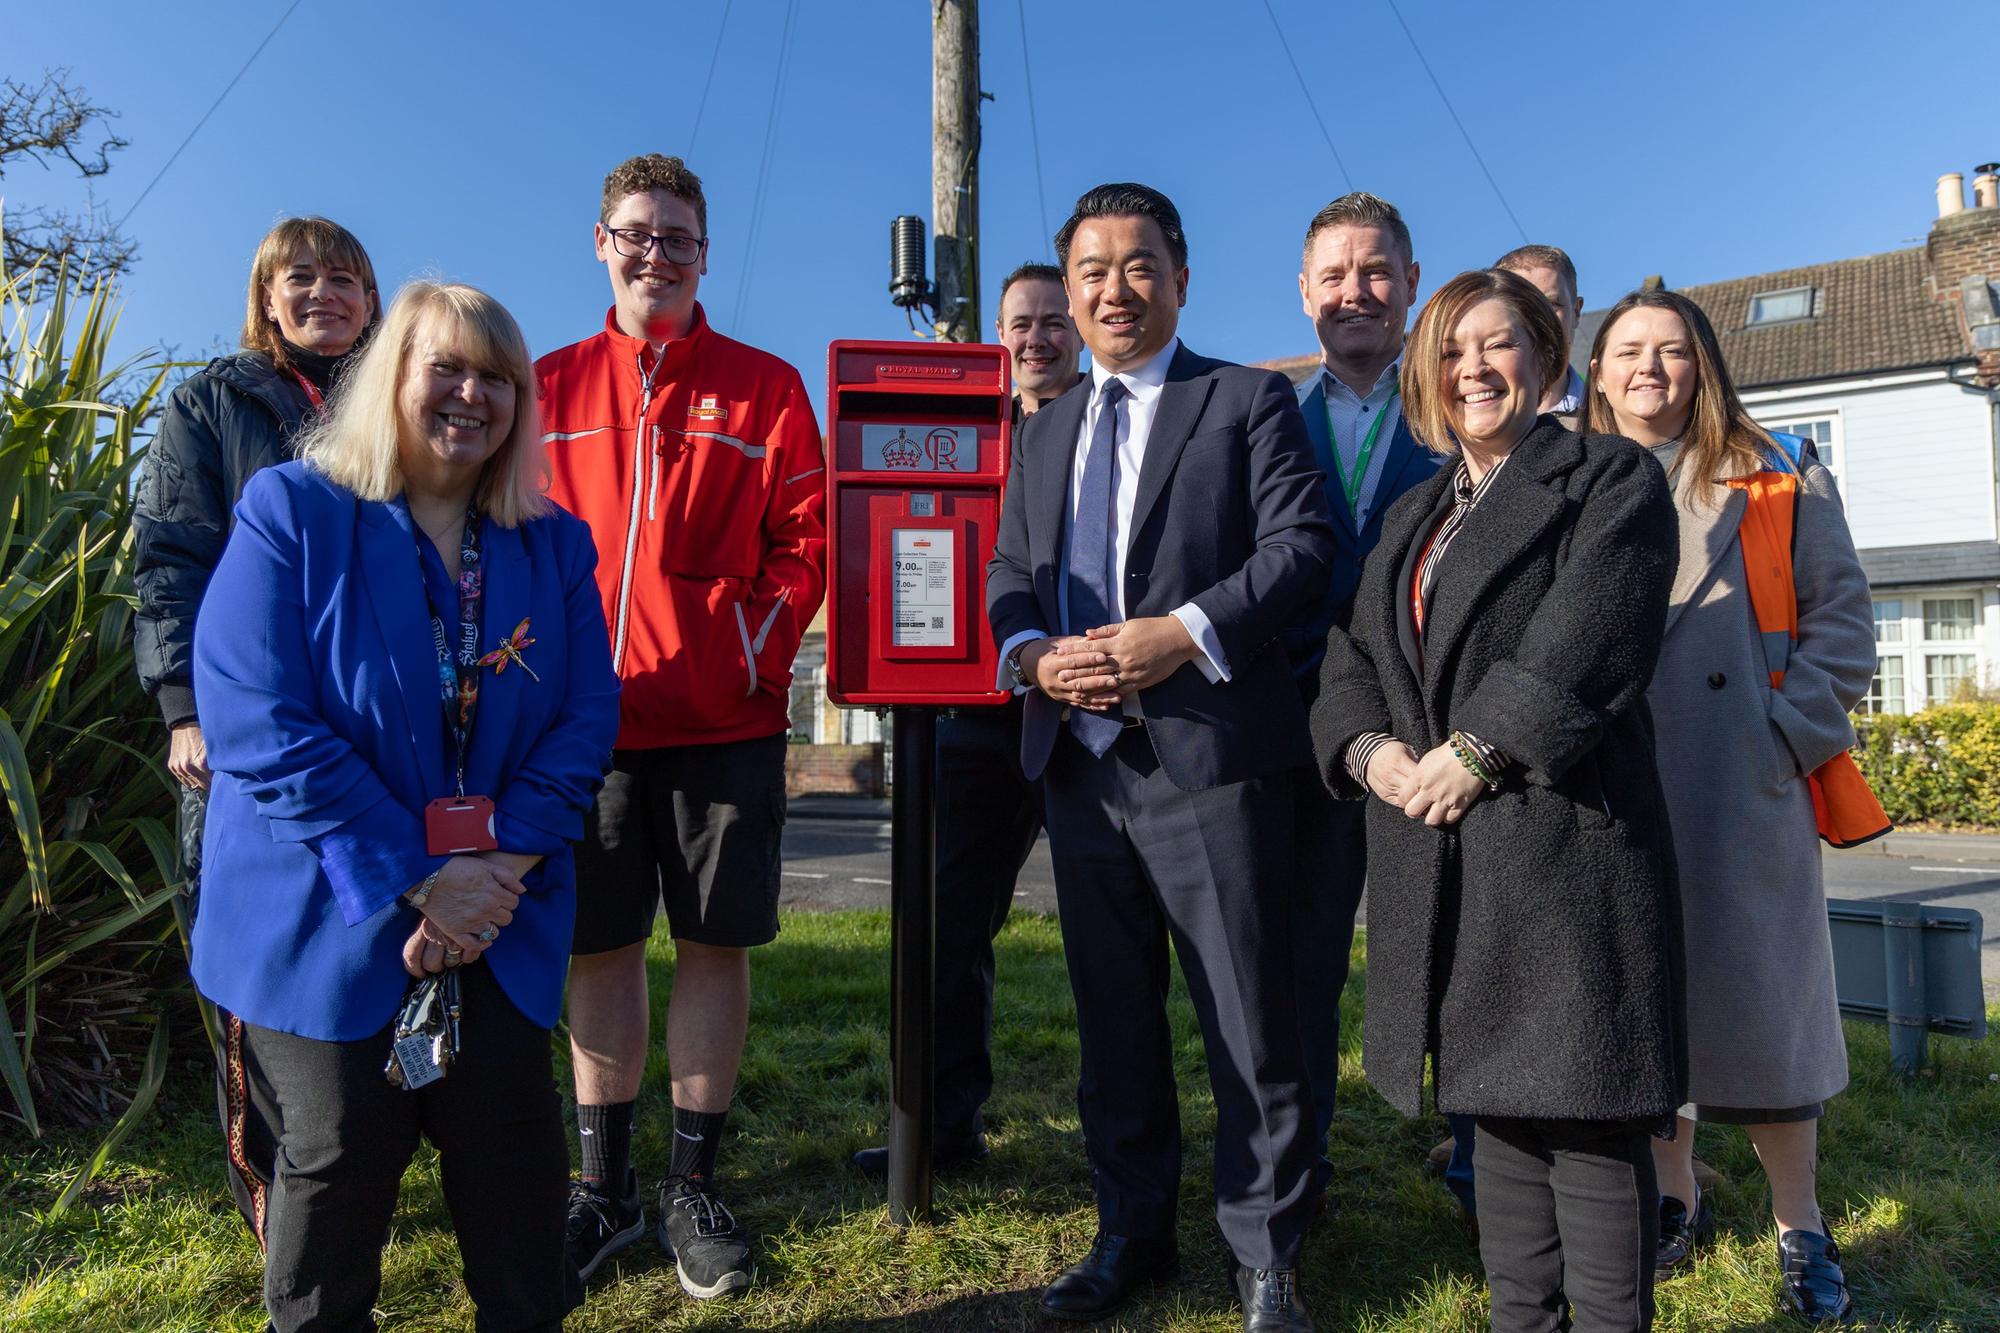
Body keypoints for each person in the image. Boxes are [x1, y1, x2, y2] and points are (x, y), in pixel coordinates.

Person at [189, 281, 621, 1331]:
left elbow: (583, 716)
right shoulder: (291, 512)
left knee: (517, 1174)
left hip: (498, 919)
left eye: (498, 379)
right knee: (334, 1172)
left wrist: (496, 873)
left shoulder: (553, 544)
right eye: (449, 368)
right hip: (324, 918)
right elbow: (257, 716)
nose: (472, 395)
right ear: (393, 375)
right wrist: (427, 874)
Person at [989, 183, 1333, 1333]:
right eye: (1089, 271)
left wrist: (1177, 634)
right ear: (1068, 292)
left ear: (1179, 279)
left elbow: (1301, 550)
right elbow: (1006, 585)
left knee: (1249, 1021)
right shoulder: (1038, 434)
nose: (1112, 290)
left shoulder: (1243, 400)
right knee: (1111, 1024)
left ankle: (1265, 1255)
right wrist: (1032, 659)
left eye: (1137, 266)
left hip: (1214, 761)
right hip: (1084, 775)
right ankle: (1130, 1231)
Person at [1311, 267, 1683, 1331]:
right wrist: (1367, 750)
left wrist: (1475, 751)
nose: (1472, 367)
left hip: (1562, 852)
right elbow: (1350, 656)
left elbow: (1590, 636)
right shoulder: (1413, 513)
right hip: (1444, 864)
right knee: (1496, 1127)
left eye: (1497, 343)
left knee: (1583, 1126)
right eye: (1450, 350)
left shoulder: (1605, 480)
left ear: (1547, 360)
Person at [540, 153, 827, 1298]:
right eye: (636, 232)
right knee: (597, 949)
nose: (656, 252)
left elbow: (801, 545)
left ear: (706, 254)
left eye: (678, 237)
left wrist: (750, 653)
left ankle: (692, 1185)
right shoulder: (543, 387)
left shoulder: (765, 386)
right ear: (599, 242)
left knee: (715, 945)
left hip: (722, 723)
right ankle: (601, 1187)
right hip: (583, 730)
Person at [1589, 288, 1873, 1323]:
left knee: (1761, 1008)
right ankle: (1672, 1196)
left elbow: (1842, 620)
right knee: (1647, 1000)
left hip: (1735, 775)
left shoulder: (1772, 470)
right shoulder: (1573, 476)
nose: (1648, 369)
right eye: (1627, 351)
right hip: (1615, 778)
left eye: (1670, 351)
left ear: (1703, 365)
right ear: (1597, 368)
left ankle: (1800, 1221)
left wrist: (1781, 735)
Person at [131, 215, 379, 1243]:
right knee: (258, 974)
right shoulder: (211, 403)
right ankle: (272, 1202)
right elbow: (169, 560)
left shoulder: (400, 398)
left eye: (345, 278)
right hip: (248, 732)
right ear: (267, 295)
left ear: (372, 298)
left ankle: (365, 1170)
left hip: (375, 735)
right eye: (301, 277)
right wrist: (182, 707)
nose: (324, 293)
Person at [851, 261, 1082, 1179]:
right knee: (947, 923)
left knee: (1115, 922)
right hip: (978, 713)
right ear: (997, 335)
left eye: (1053, 321)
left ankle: (1128, 1135)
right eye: (1019, 323)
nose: (1037, 338)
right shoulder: (974, 430)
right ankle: (944, 1123)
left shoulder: (1116, 426)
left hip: (1088, 705)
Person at [1287, 192, 1442, 1205]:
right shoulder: (1252, 417)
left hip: (1433, 738)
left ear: (1412, 284)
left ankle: (1483, 1156)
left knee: (1463, 950)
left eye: (1375, 270)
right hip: (1295, 742)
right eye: (1335, 274)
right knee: (1296, 963)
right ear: (1303, 292)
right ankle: (1294, 1158)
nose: (1357, 292)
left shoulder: (1456, 406)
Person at [1495, 244, 1587, 428]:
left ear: (1576, 312)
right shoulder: (1464, 423)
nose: (1537, 319)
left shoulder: (1612, 417)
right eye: (1520, 306)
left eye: (1552, 304)